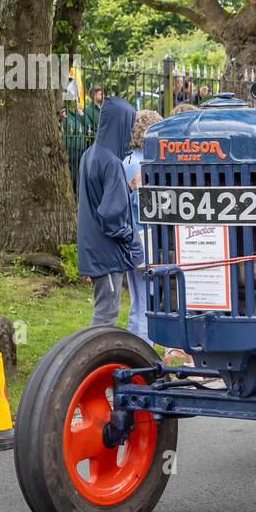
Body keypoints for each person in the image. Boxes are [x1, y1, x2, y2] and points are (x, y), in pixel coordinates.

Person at [77, 96, 143, 326]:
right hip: (107, 251)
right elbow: (111, 214)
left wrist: (129, 187)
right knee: (106, 315)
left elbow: (99, 198)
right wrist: (129, 239)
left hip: (93, 246)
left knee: (103, 310)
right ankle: (94, 359)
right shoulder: (112, 162)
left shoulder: (90, 155)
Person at [123, 109, 162, 345]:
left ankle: (135, 344)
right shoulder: (141, 165)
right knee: (146, 298)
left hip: (131, 236)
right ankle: (143, 346)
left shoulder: (127, 161)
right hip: (144, 236)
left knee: (138, 298)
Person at [61, 89, 92, 196]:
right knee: (71, 177)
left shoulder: (77, 116)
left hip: (81, 151)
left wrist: (81, 113)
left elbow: (89, 128)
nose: (77, 103)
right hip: (70, 150)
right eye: (75, 101)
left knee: (79, 178)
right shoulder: (65, 116)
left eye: (77, 101)